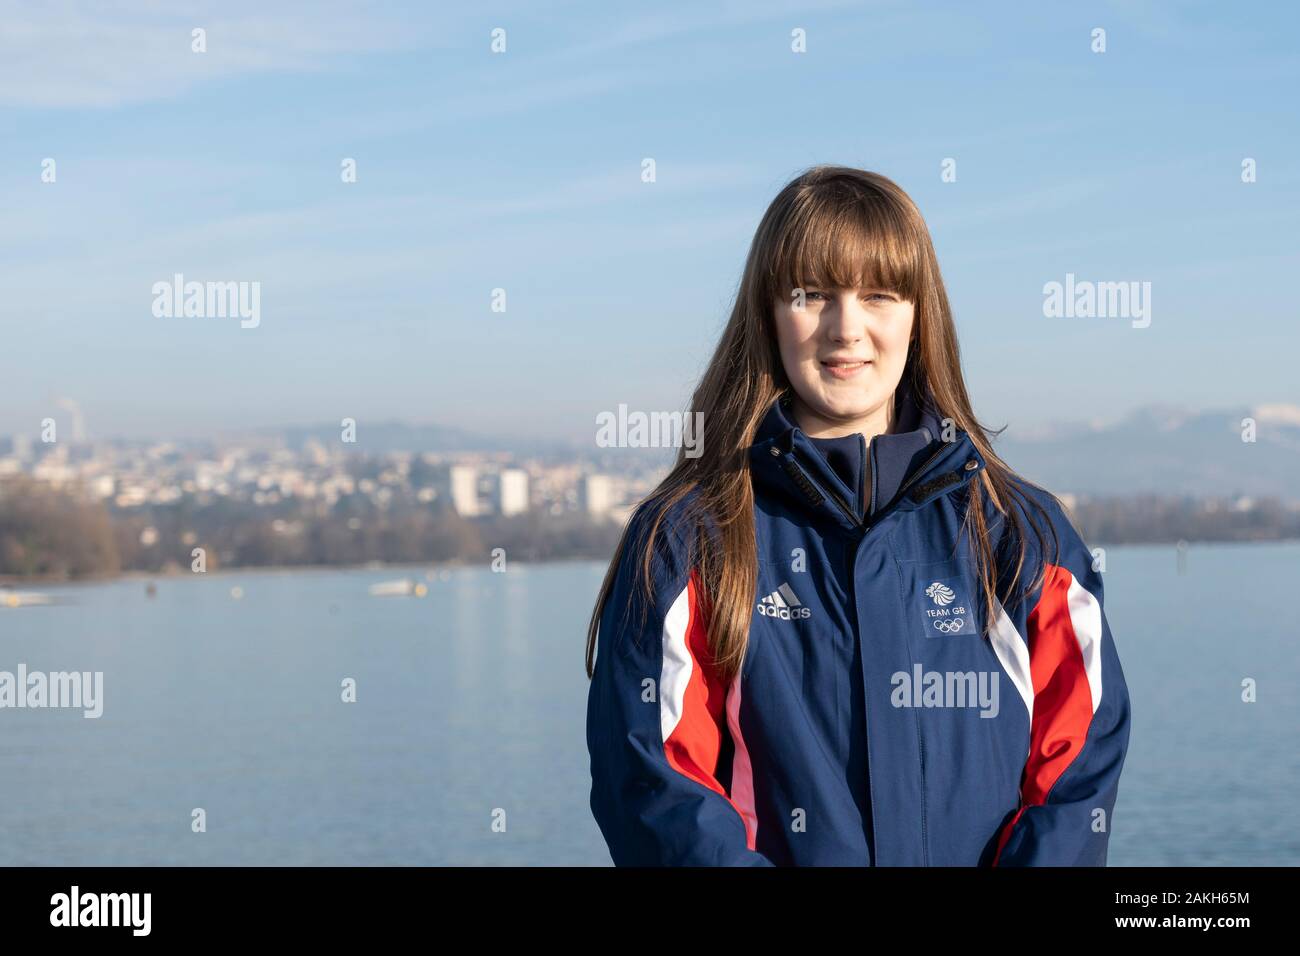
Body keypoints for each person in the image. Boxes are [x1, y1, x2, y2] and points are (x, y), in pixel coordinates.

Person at [583, 165, 1132, 866]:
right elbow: (653, 789)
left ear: (917, 314)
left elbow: (1077, 773)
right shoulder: (689, 538)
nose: (848, 328)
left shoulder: (1021, 533)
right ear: (768, 314)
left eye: (879, 294)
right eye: (812, 295)